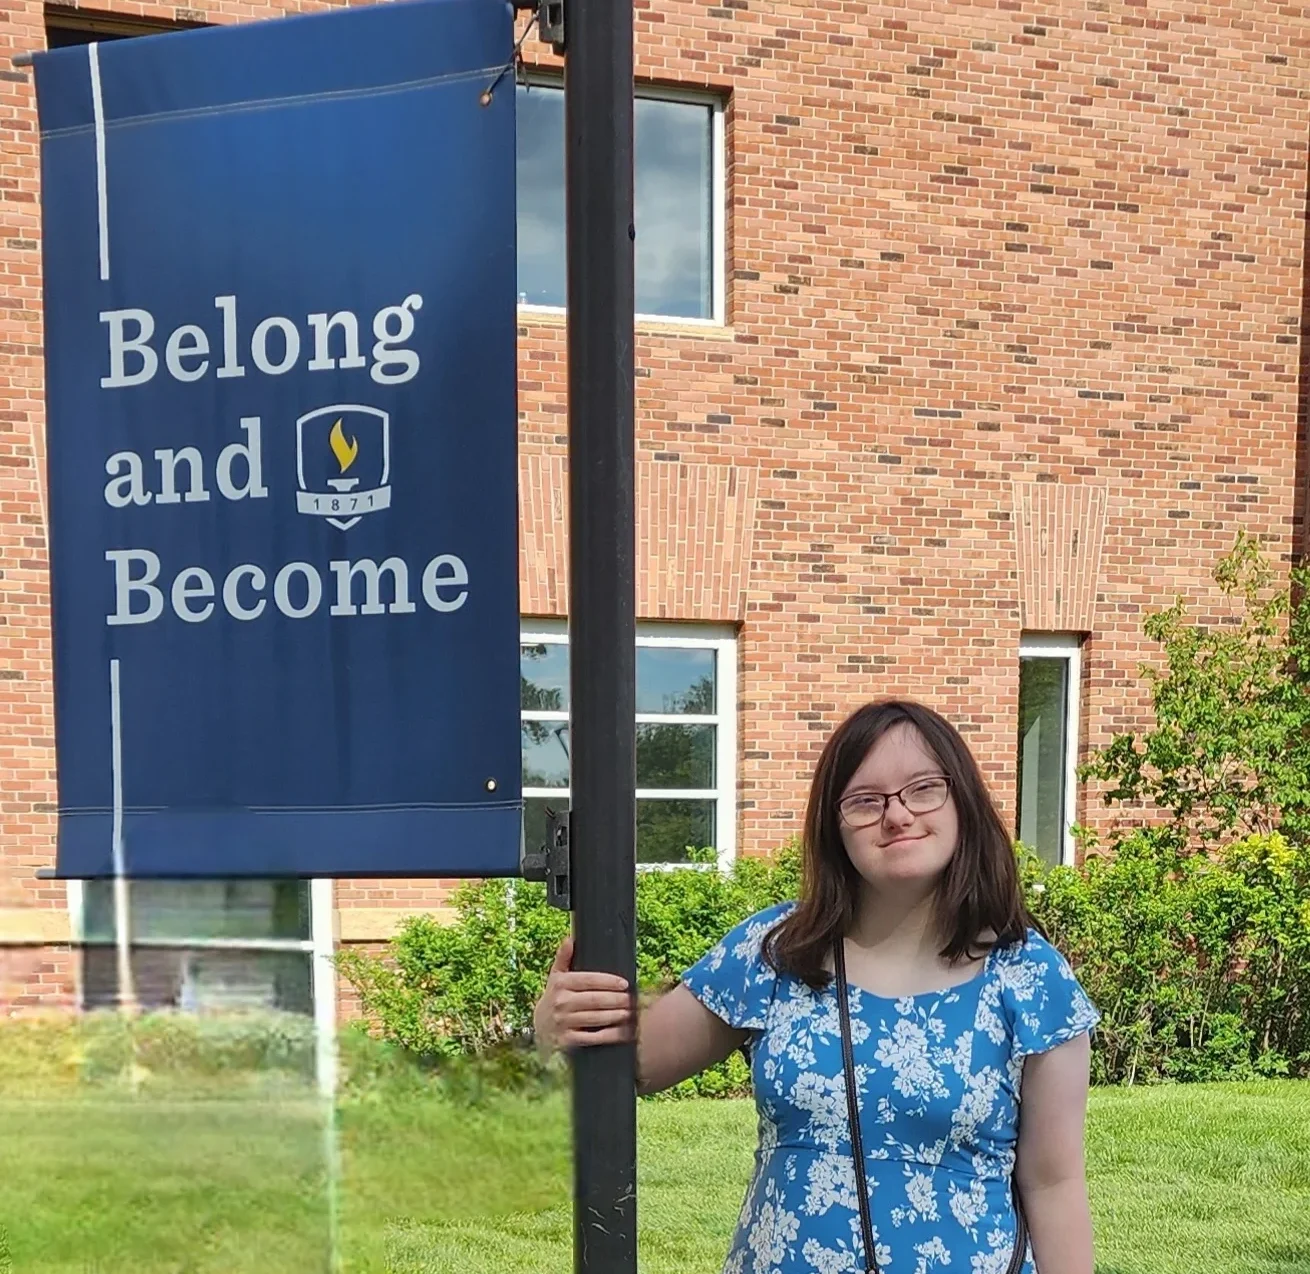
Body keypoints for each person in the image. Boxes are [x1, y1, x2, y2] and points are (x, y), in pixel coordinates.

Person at [534, 699, 1100, 1274]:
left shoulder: (1030, 976)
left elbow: (1054, 1184)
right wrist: (558, 1024)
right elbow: (639, 1062)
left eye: (924, 789)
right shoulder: (778, 950)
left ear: (964, 804)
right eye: (865, 801)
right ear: (834, 826)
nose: (897, 816)